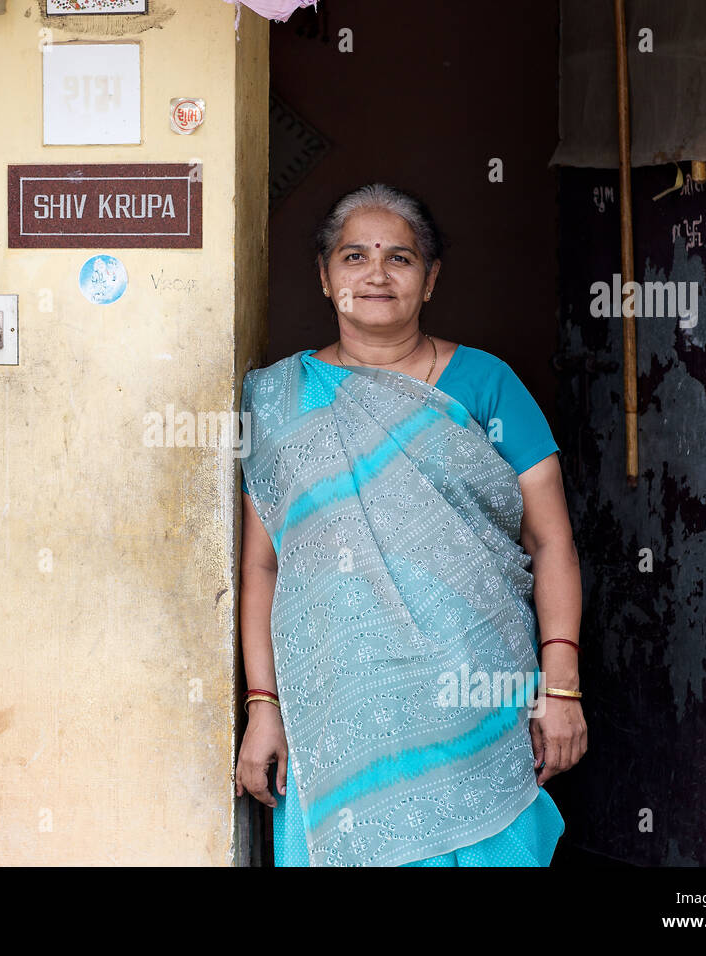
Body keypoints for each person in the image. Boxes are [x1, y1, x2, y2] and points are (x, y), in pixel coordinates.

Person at [235, 183, 588, 866]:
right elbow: (263, 565)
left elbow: (551, 542)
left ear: (430, 280)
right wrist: (263, 705)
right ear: (324, 275)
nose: (375, 274)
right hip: (337, 707)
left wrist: (562, 683)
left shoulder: (487, 384)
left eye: (400, 258)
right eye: (354, 256)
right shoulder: (279, 403)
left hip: (473, 695)